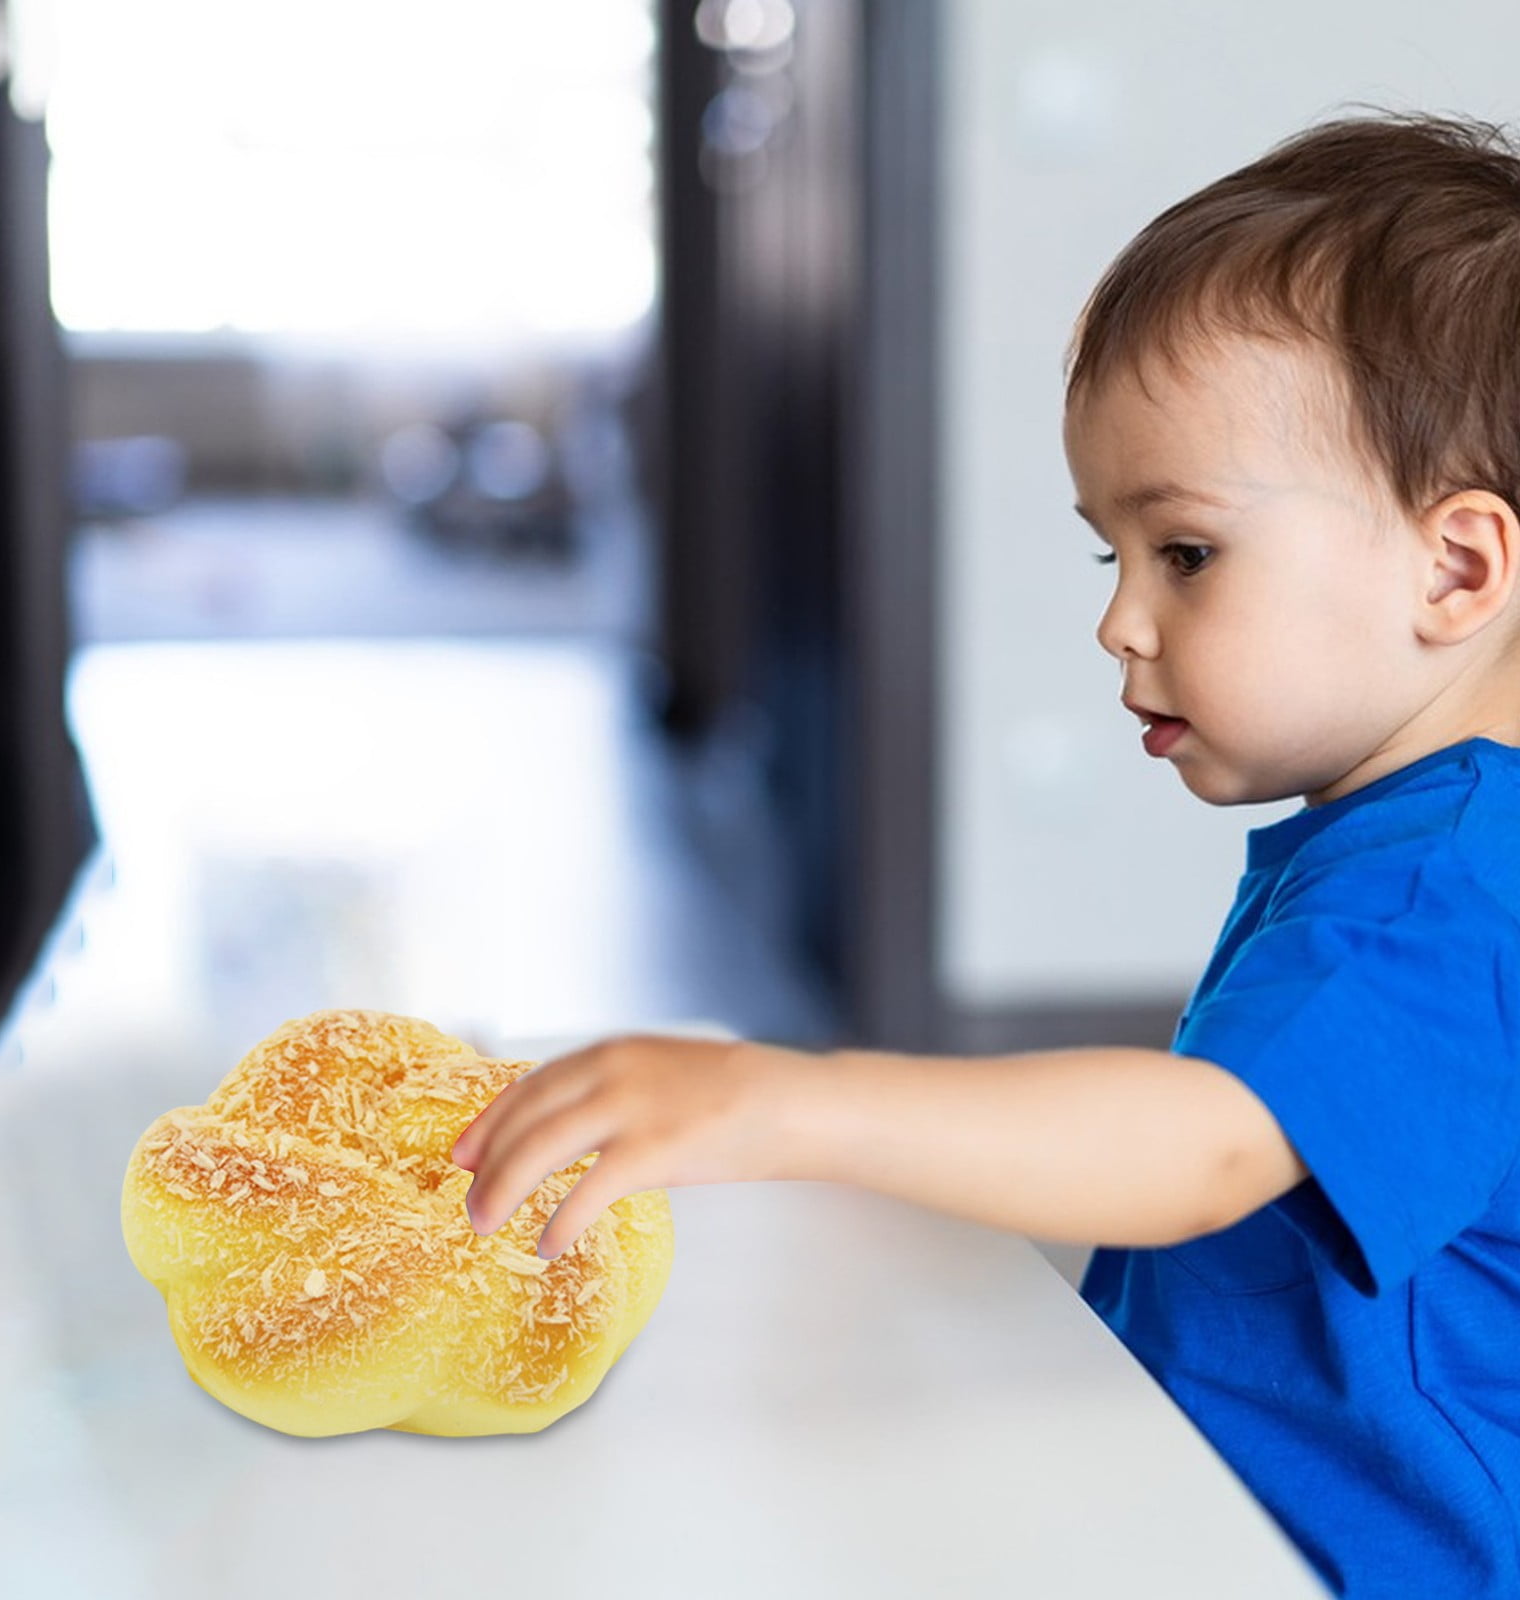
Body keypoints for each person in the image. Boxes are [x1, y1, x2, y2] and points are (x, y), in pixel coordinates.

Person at [449, 111, 1520, 1598]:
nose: (1120, 622)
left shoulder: (1442, 886)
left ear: (1455, 567)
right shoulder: (1414, 837)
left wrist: (789, 1100)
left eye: (1187, 553)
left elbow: (1206, 1143)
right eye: (1113, 556)